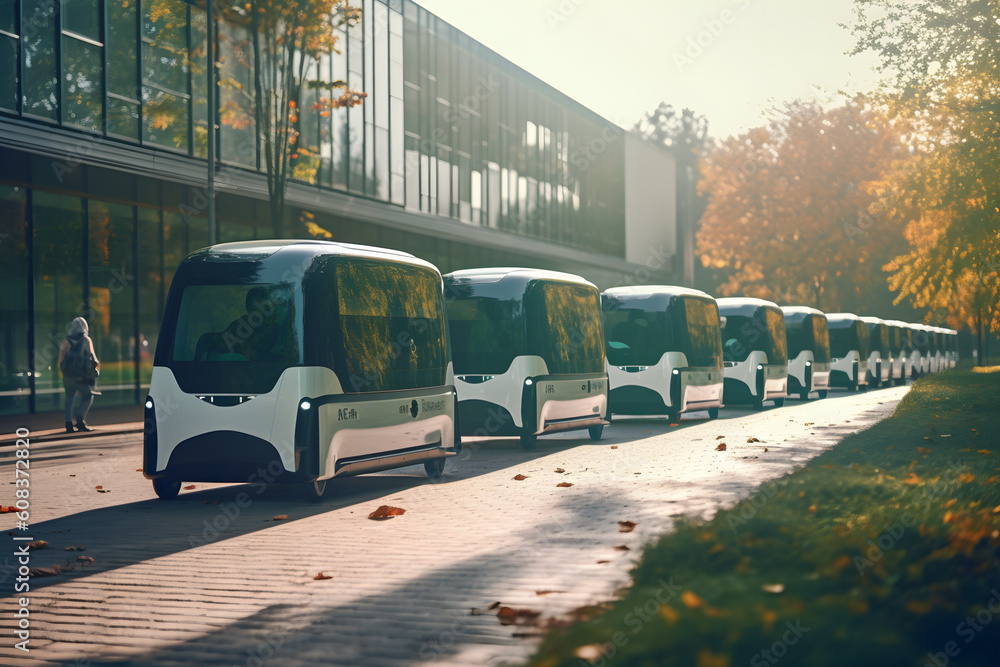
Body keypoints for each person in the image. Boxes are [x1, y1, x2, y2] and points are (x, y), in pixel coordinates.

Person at [59, 317, 100, 433]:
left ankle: (68, 424)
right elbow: (94, 358)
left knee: (69, 399)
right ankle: (79, 418)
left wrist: (64, 373)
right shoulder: (87, 340)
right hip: (82, 377)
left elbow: (61, 360)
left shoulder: (65, 341)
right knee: (87, 396)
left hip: (67, 376)